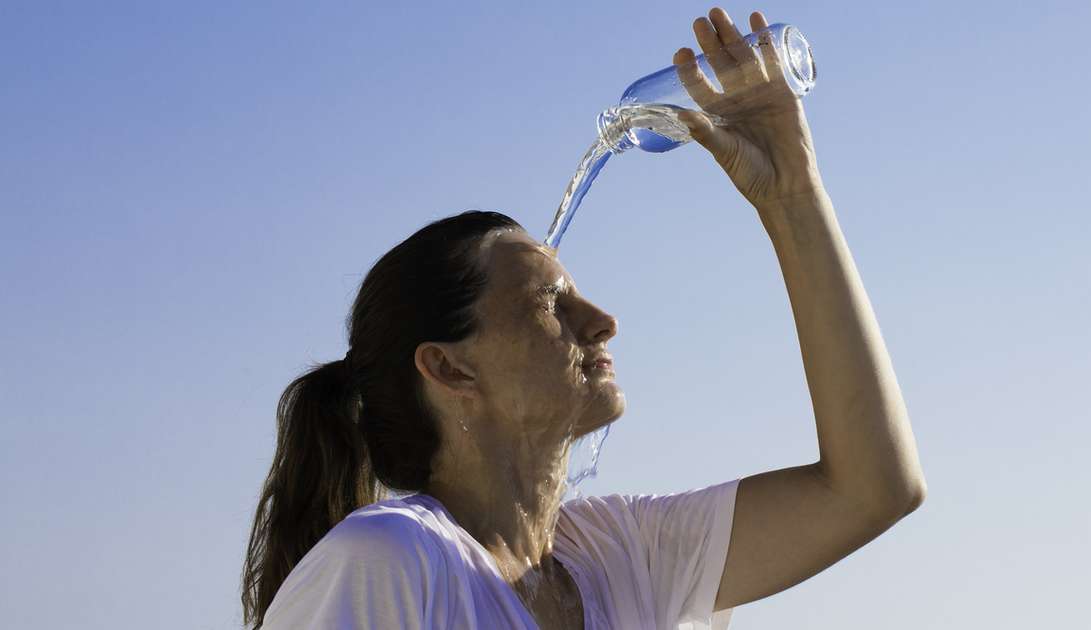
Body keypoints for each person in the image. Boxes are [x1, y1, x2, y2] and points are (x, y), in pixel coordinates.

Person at [241, 7, 927, 630]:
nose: (603, 322)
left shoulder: (624, 555)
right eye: (550, 306)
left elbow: (872, 488)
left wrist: (792, 192)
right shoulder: (395, 559)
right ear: (450, 367)